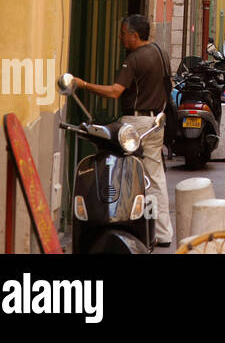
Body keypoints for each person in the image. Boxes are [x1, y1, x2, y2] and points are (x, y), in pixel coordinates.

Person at [70, 14, 174, 248]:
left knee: (124, 173)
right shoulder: (161, 53)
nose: (120, 37)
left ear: (135, 35)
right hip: (156, 121)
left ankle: (123, 224)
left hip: (136, 123)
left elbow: (116, 91)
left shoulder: (135, 59)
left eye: (123, 33)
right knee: (155, 177)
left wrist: (83, 84)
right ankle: (164, 232)